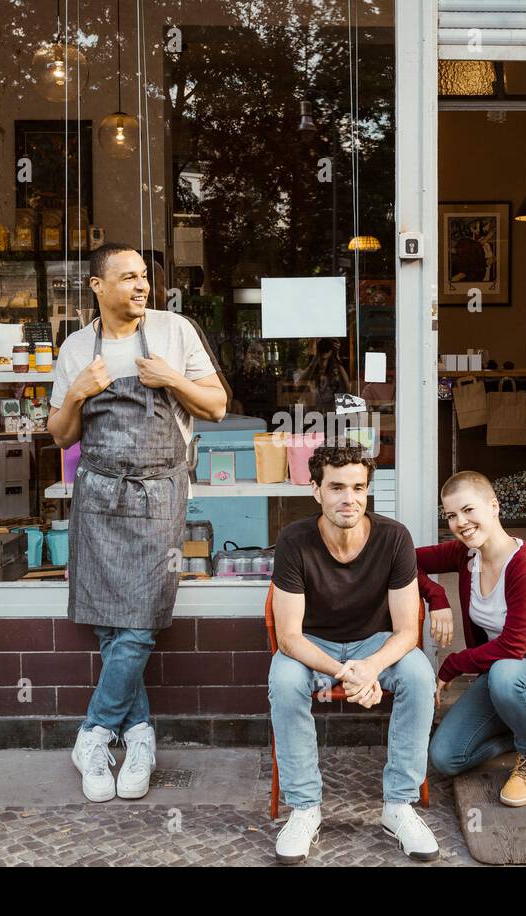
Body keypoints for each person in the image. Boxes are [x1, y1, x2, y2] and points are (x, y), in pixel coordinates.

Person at [49, 241, 227, 802]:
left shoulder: (175, 332)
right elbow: (60, 434)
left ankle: (94, 731)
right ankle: (140, 736)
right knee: (110, 623)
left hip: (159, 494)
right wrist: (78, 393)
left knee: (142, 620)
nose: (141, 285)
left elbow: (217, 405)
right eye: (127, 277)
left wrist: (171, 380)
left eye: (144, 276)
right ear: (97, 287)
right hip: (99, 494)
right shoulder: (77, 348)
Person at [268, 441, 438, 864]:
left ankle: (398, 805)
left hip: (374, 644)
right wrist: (349, 674)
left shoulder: (394, 538)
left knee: (418, 676)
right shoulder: (295, 540)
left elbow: (407, 630)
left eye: (359, 488)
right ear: (316, 490)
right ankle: (305, 809)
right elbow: (288, 636)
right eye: (338, 487)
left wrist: (371, 666)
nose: (349, 499)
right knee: (284, 680)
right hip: (314, 646)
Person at [418, 471, 526, 807]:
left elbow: (512, 647)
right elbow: (402, 560)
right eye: (451, 516)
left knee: (506, 671)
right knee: (445, 758)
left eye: (468, 510)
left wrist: (450, 666)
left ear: (493, 506)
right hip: (501, 680)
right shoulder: (465, 555)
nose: (460, 523)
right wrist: (437, 597)